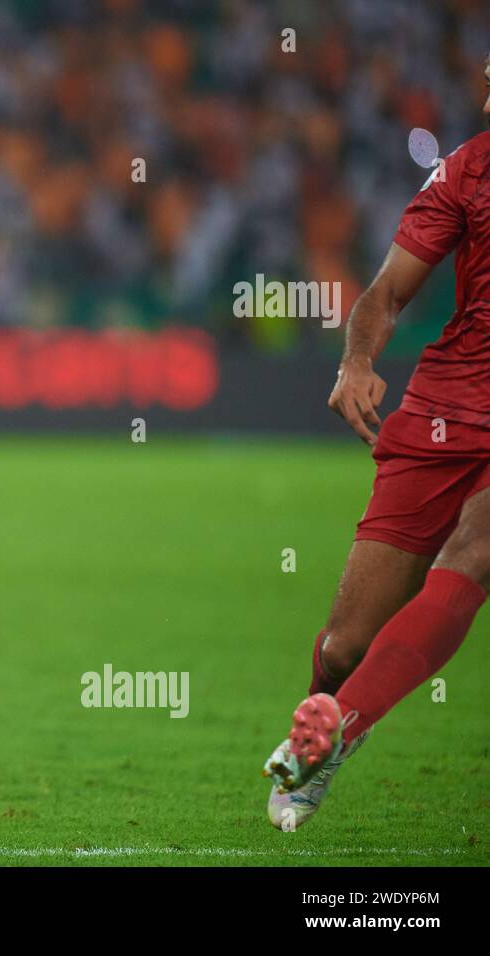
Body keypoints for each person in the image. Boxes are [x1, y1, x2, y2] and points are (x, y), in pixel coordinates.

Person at [262, 56, 490, 829]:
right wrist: (357, 359)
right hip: (446, 408)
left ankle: (320, 746)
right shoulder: (465, 171)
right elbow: (388, 292)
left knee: (474, 553)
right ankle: (327, 719)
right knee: (345, 647)